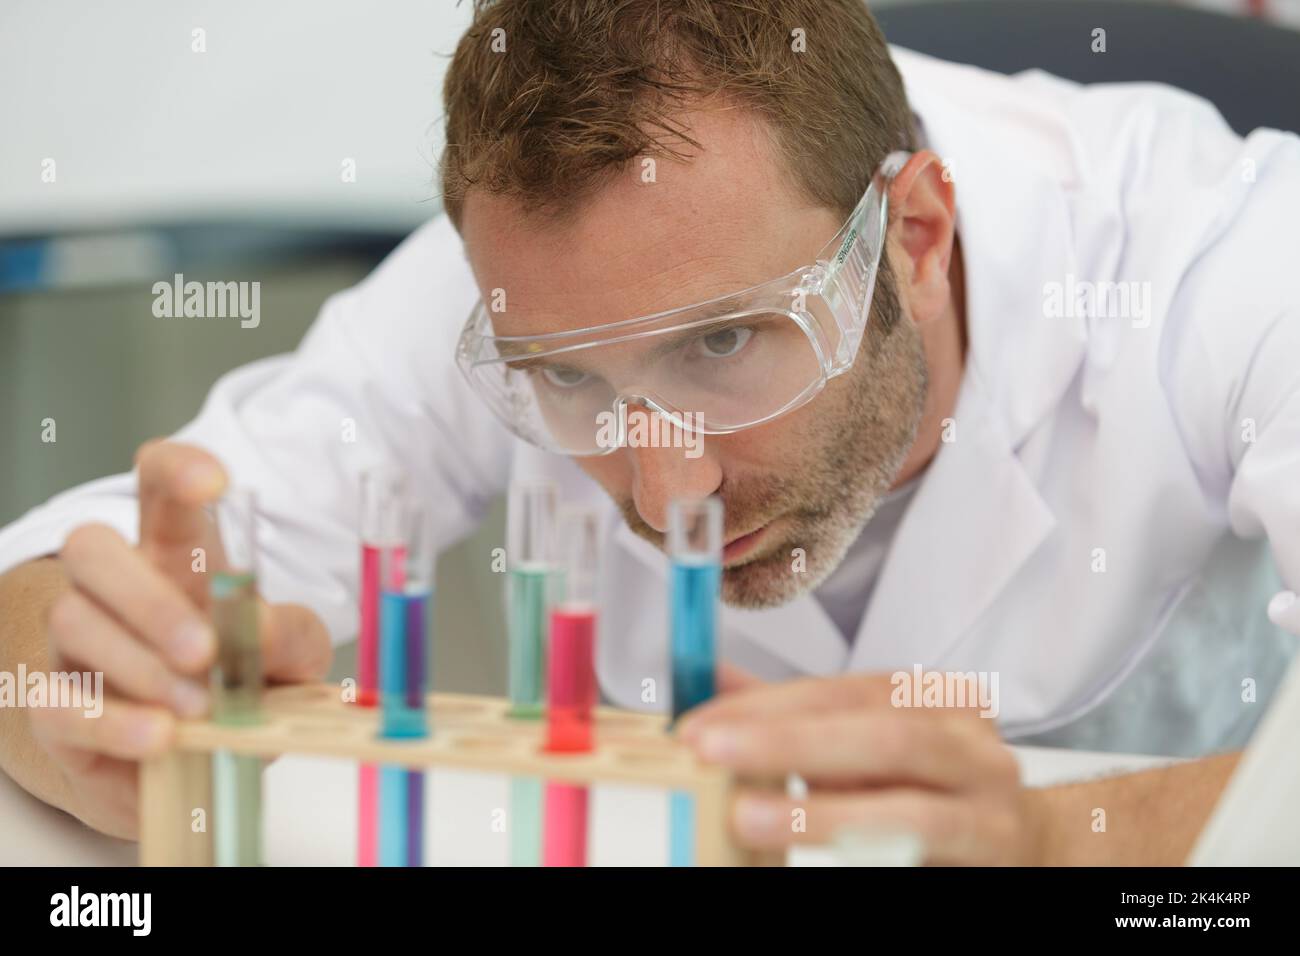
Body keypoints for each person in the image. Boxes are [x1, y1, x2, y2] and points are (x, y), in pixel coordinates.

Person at [1, 0, 1297, 864]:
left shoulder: (1220, 261)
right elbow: (45, 600)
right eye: (573, 385)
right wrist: (81, 688)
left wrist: (1044, 838)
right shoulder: (516, 292)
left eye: (724, 344)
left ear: (915, 234)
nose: (667, 487)